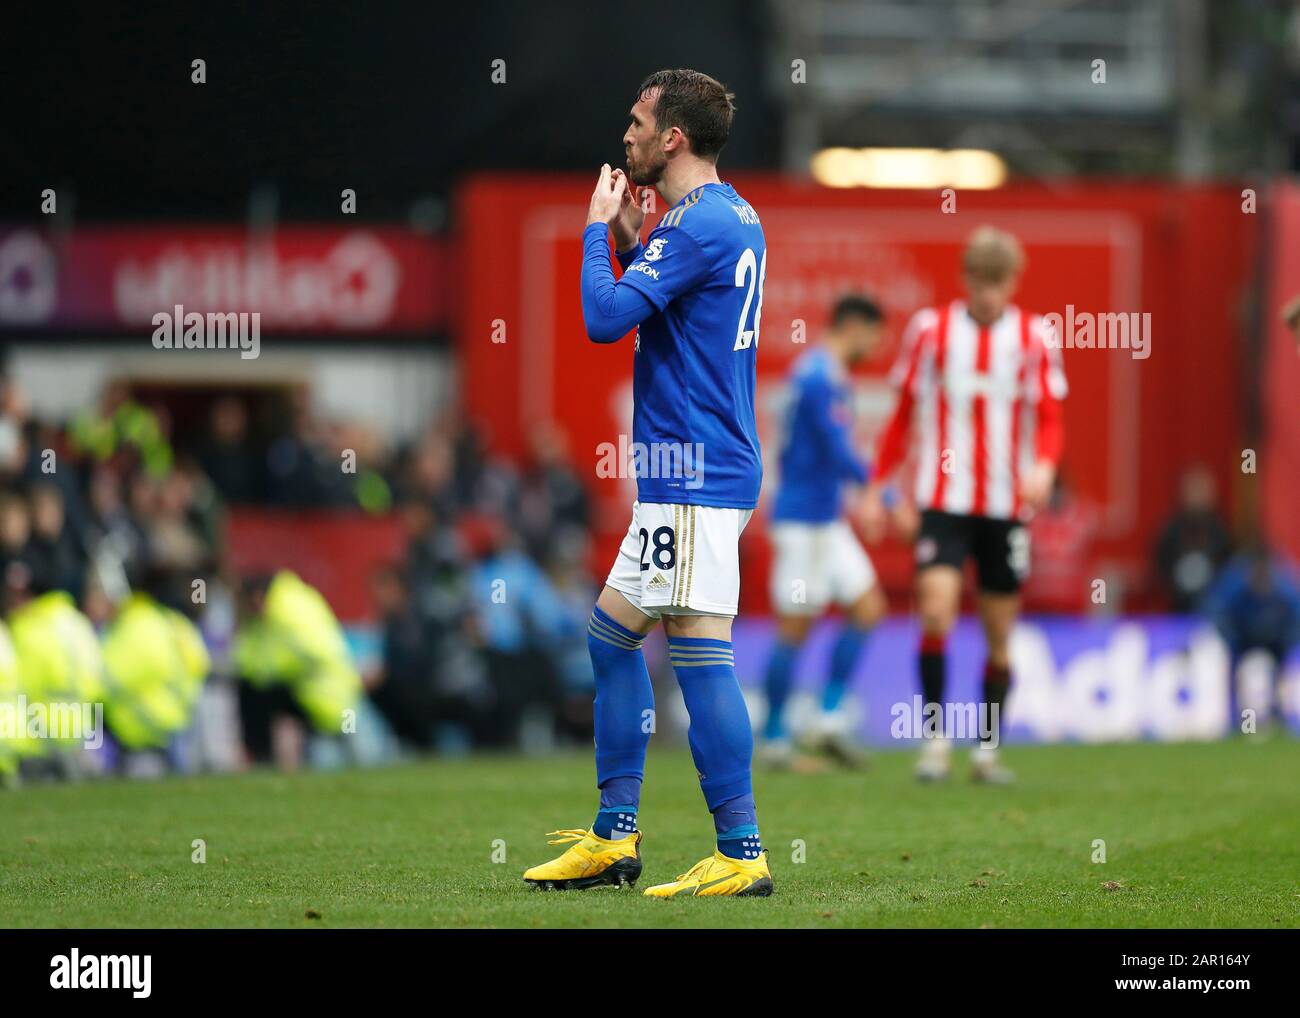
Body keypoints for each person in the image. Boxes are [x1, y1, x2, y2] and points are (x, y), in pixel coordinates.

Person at [523, 69, 771, 898]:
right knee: (611, 637)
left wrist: (598, 232)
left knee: (701, 658)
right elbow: (669, 312)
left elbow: (604, 319)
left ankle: (741, 850)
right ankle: (614, 839)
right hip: (688, 469)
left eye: (637, 122)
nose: (624, 134)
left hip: (694, 473)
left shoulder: (698, 225)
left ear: (672, 138)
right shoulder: (724, 215)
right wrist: (635, 243)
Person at [862, 226, 1067, 783]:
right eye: (981, 281)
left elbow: (1050, 417)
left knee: (1000, 633)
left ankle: (987, 749)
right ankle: (933, 741)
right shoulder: (931, 331)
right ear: (966, 278)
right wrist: (881, 488)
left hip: (1005, 507)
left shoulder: (1034, 337)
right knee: (935, 610)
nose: (989, 294)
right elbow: (902, 415)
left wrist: (1045, 466)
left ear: (1012, 283)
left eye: (999, 284)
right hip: (942, 500)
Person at [761, 294, 888, 768]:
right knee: (794, 628)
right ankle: (775, 740)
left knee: (868, 606)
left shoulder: (821, 374)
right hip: (803, 521)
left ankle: (830, 719)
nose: (876, 346)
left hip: (826, 520)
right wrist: (886, 497)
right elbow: (838, 452)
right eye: (875, 335)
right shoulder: (817, 377)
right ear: (855, 326)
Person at [1153, 464, 1232, 614]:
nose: (1198, 495)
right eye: (1194, 489)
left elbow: (1229, 567)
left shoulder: (1220, 531)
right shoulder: (1171, 530)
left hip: (1214, 609)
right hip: (1178, 608)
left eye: (1202, 489)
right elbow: (1160, 566)